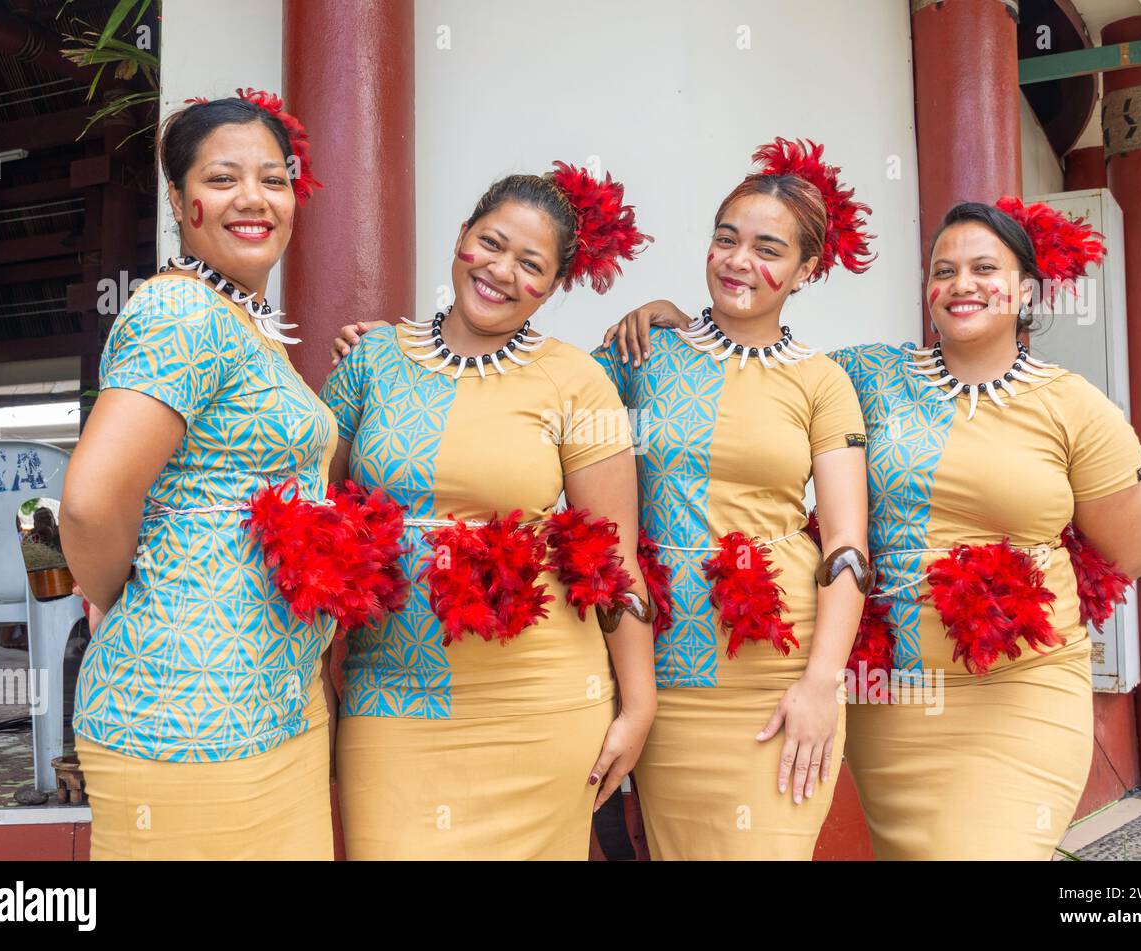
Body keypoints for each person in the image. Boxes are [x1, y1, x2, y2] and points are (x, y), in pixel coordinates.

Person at [331, 137, 873, 860]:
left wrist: (820, 681)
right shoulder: (632, 355)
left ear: (807, 269)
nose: (740, 261)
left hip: (767, 668)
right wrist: (385, 351)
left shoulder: (822, 381)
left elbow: (845, 547)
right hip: (655, 660)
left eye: (768, 249)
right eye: (726, 239)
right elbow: (504, 390)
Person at [602, 196, 1141, 859]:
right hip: (894, 696)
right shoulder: (866, 374)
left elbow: (1129, 552)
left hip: (1019, 685)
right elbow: (758, 375)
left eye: (984, 267)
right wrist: (678, 325)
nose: (960, 284)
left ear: (1026, 288)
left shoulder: (1078, 408)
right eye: (943, 270)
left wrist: (1012, 584)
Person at [320, 162, 657, 860]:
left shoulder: (579, 382)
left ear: (555, 285)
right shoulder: (371, 360)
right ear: (461, 236)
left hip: (540, 701)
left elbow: (614, 560)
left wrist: (638, 705)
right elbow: (320, 528)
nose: (501, 271)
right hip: (389, 699)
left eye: (530, 263)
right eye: (492, 243)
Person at [61, 89, 338, 860]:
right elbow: (87, 504)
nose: (254, 198)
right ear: (182, 203)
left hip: (273, 707)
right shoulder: (180, 313)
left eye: (275, 179)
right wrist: (130, 598)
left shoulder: (240, 320)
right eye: (224, 179)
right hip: (186, 714)